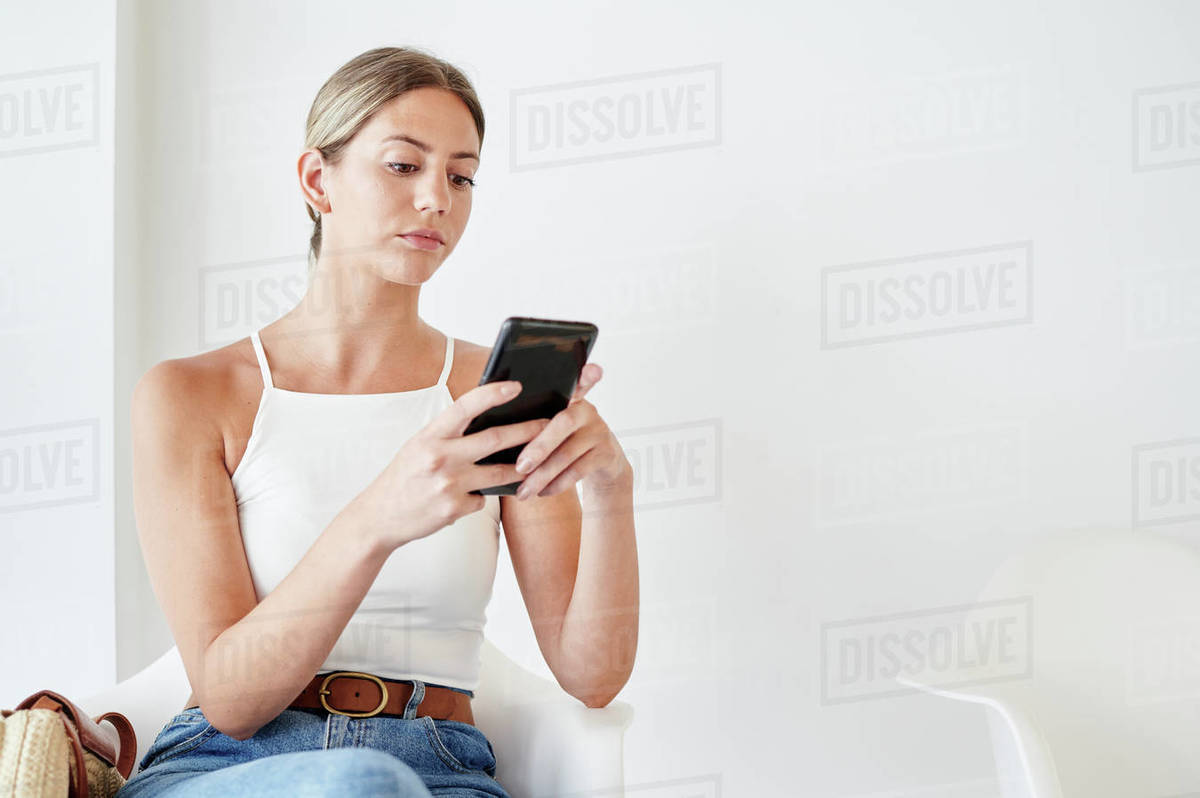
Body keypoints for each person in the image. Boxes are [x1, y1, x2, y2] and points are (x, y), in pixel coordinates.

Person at [119, 45, 638, 797]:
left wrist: (611, 491)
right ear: (316, 179)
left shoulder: (493, 393)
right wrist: (382, 515)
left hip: (442, 768)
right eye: (404, 166)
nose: (438, 199)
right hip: (228, 766)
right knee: (363, 782)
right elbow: (231, 701)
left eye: (461, 176)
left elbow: (591, 677)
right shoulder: (193, 396)